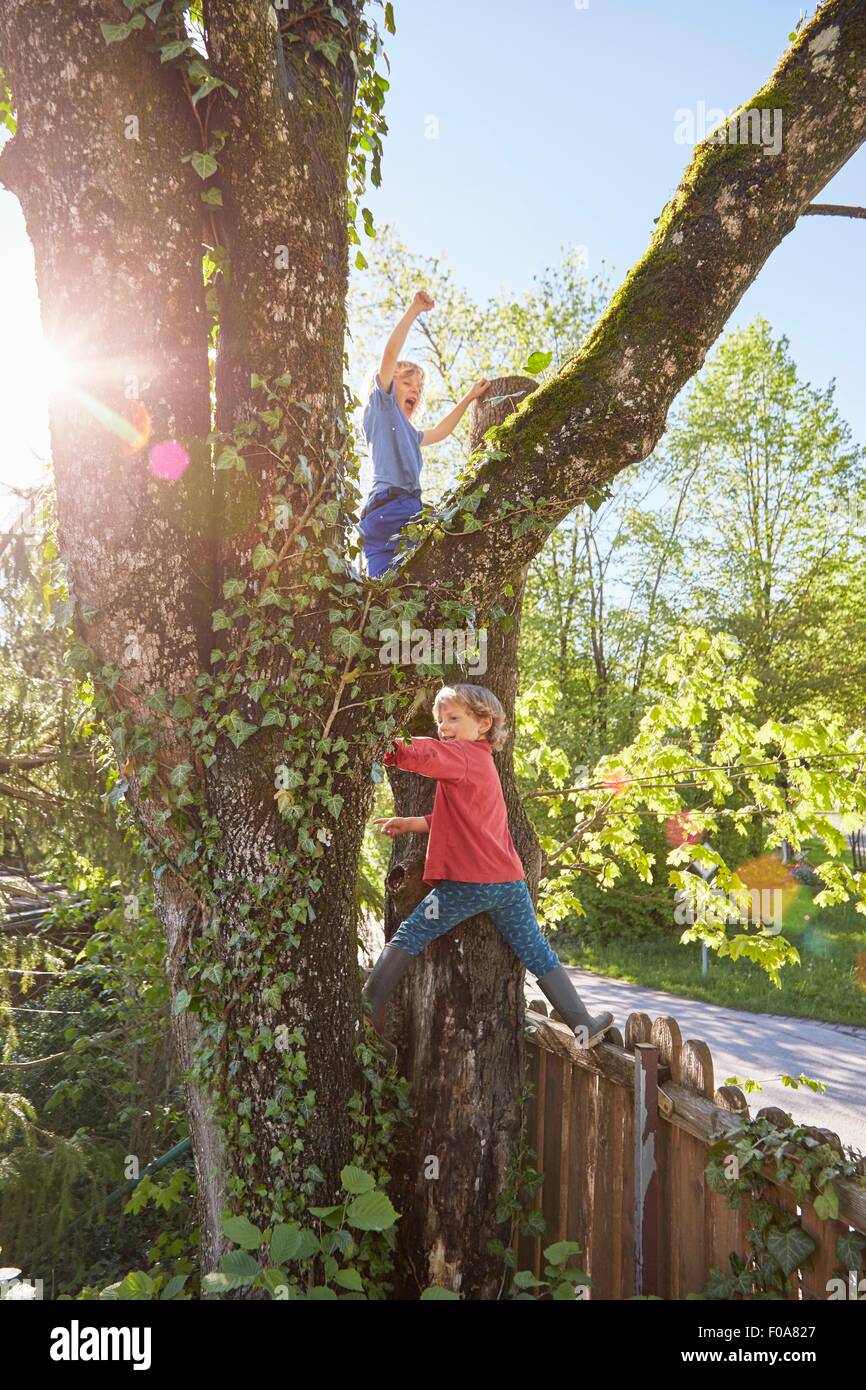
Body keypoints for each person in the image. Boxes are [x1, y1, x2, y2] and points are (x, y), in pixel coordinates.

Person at [362, 682, 615, 1053]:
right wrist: (413, 822)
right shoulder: (481, 762)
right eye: (439, 720)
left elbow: (426, 755)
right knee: (536, 950)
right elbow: (461, 820)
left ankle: (366, 1008)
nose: (443, 727)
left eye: (453, 718)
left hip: (468, 885)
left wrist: (388, 748)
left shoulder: (460, 755)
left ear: (483, 723)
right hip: (509, 884)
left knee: (410, 933)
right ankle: (582, 1023)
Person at [358, 290, 489, 578]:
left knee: (385, 590)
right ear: (390, 382)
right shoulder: (382, 406)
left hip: (382, 520)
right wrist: (414, 310)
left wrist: (468, 398)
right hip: (395, 509)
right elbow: (389, 355)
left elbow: (441, 431)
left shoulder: (411, 433)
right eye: (407, 382)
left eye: (419, 387)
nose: (415, 390)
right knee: (426, 576)